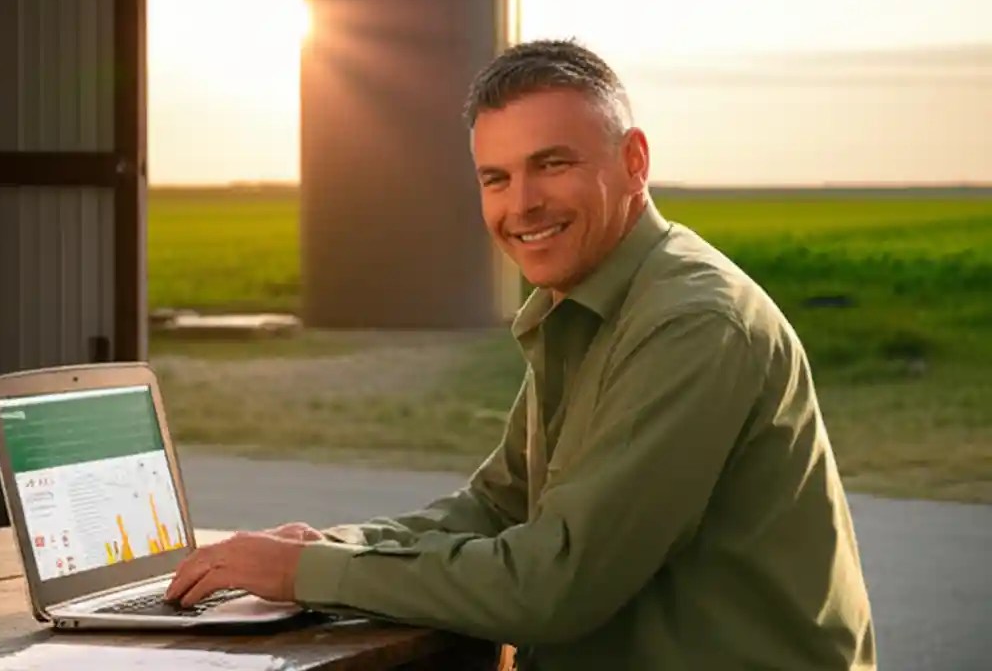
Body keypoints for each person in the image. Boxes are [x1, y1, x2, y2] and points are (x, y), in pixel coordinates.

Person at [166, 39, 877, 670]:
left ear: (633, 162)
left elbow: (551, 585)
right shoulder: (583, 306)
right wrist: (332, 546)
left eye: (553, 164)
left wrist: (306, 574)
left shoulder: (690, 324)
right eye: (495, 178)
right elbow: (497, 508)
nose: (522, 204)